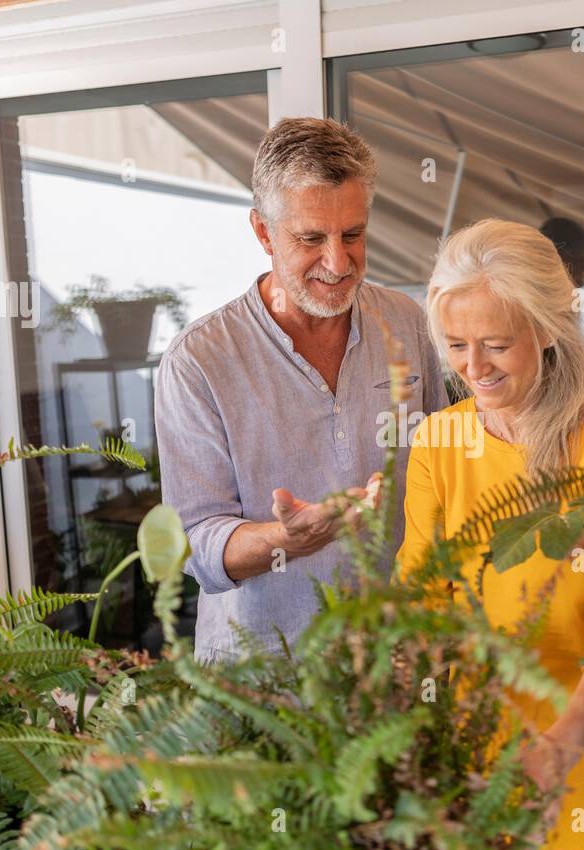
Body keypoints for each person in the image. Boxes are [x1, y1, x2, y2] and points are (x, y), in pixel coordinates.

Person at [395, 219, 584, 850]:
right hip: (479, 735)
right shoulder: (438, 441)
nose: (473, 368)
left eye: (495, 344)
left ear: (547, 330)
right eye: (457, 345)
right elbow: (419, 599)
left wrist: (561, 743)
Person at [155, 117, 447, 662]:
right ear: (264, 233)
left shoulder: (407, 323)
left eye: (353, 235)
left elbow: (447, 471)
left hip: (399, 666)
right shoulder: (199, 361)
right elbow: (195, 544)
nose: (338, 264)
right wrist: (284, 541)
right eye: (311, 238)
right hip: (265, 682)